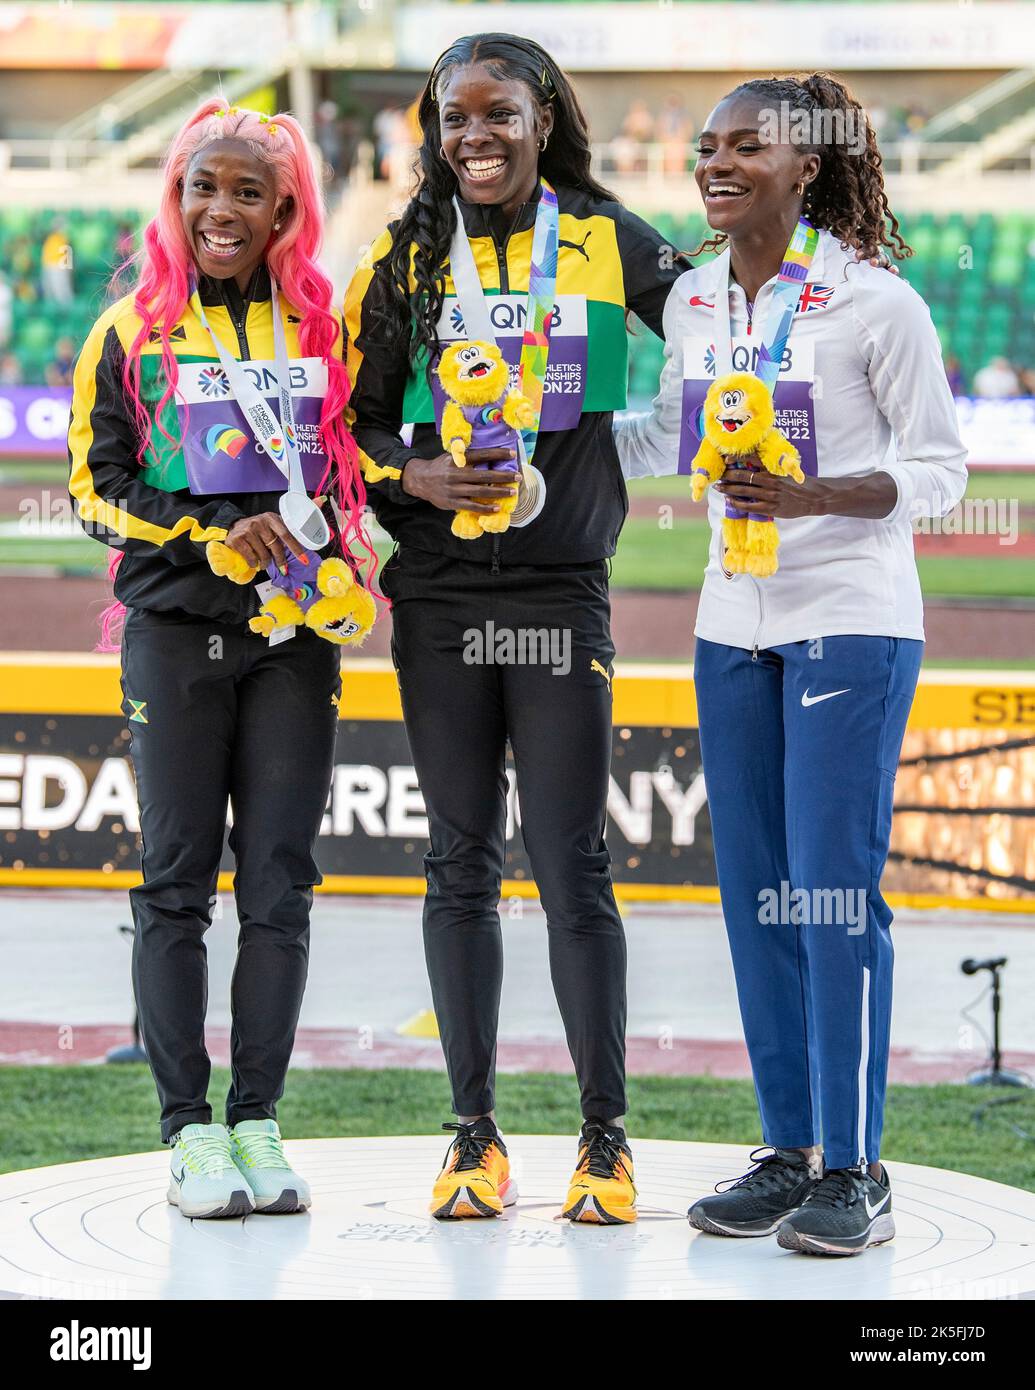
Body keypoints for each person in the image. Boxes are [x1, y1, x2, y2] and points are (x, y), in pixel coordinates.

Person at [617, 72, 967, 1255]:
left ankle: (857, 1167)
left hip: (851, 620)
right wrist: (547, 431)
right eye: (707, 147)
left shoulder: (877, 305)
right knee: (757, 893)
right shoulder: (697, 302)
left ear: (806, 165)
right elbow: (670, 431)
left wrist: (818, 493)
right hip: (733, 623)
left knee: (829, 892)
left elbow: (941, 469)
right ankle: (787, 1151)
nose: (715, 164)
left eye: (746, 147)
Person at [345, 32, 691, 1224]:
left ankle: (606, 1140)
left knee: (571, 862)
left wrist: (653, 442)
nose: (473, 138)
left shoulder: (603, 232)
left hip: (557, 595)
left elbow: (715, 316)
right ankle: (474, 1134)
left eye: (498, 115)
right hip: (439, 600)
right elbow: (352, 429)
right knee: (458, 864)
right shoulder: (403, 256)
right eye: (453, 119)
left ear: (543, 116)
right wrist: (417, 479)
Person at [68, 99, 372, 1221]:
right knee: (177, 885)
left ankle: (258, 1118)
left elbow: (352, 479)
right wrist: (206, 530)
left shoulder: (320, 328)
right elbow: (96, 493)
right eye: (204, 187)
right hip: (175, 634)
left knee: (282, 886)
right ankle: (188, 1131)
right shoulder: (131, 331)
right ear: (176, 199)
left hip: (293, 643)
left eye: (249, 191)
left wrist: (348, 557)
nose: (222, 210)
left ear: (286, 207)